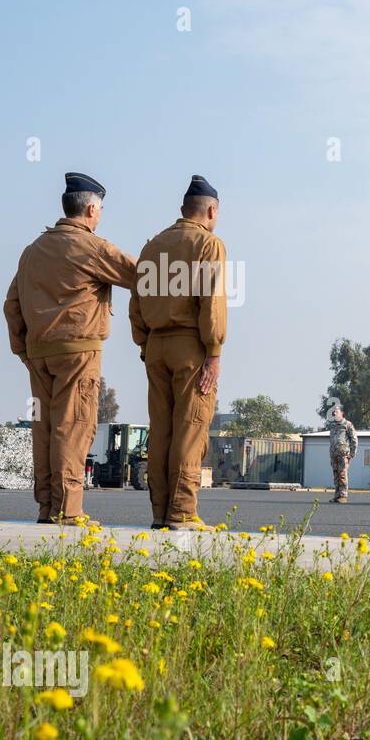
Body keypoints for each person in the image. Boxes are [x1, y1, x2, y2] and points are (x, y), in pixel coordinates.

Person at [4, 172, 138, 525]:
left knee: (45, 430)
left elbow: (11, 305)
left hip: (38, 354)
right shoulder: (92, 247)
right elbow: (142, 275)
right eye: (101, 209)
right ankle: (67, 511)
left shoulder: (32, 251)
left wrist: (23, 349)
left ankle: (47, 508)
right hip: (78, 351)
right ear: (91, 209)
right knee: (73, 427)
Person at [129, 175, 227, 530]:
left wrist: (145, 344)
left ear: (183, 208)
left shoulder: (152, 246)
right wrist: (213, 352)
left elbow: (136, 304)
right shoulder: (208, 244)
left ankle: (160, 512)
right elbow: (211, 303)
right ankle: (182, 511)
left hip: (155, 346)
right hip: (190, 346)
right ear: (211, 211)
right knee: (190, 428)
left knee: (162, 431)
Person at [325, 405, 357, 502]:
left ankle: (343, 496)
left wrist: (352, 454)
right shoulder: (333, 425)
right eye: (334, 412)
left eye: (337, 411)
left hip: (343, 455)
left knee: (342, 475)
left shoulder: (347, 424)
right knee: (336, 475)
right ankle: (337, 495)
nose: (334, 413)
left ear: (342, 413)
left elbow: (354, 440)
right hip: (334, 454)